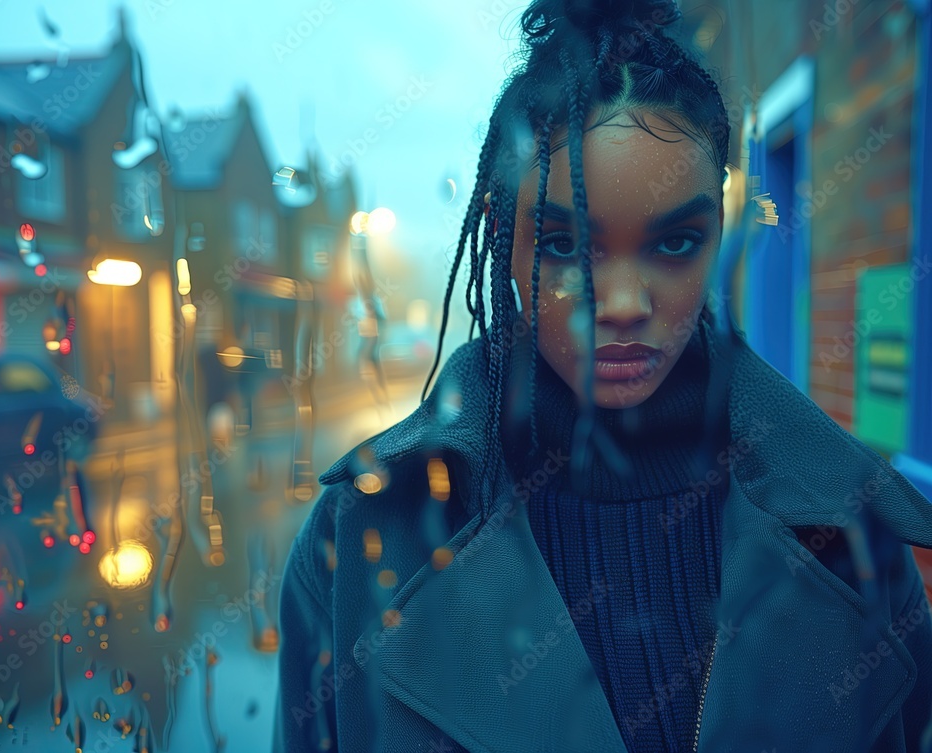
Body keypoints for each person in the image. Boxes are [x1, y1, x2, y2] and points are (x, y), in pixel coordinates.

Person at [273, 1, 932, 750]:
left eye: (676, 241)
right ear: (502, 237)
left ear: (719, 229)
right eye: (563, 244)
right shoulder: (358, 538)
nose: (622, 303)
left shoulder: (851, 530)